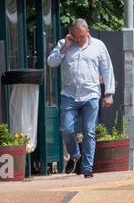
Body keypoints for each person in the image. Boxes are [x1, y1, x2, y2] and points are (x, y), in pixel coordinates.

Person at [46, 18, 115, 177]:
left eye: (81, 37)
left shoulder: (98, 46)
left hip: (91, 94)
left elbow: (107, 69)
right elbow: (51, 62)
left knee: (89, 131)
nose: (78, 40)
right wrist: (64, 49)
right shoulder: (64, 44)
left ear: (88, 33)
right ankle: (75, 154)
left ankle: (87, 168)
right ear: (71, 34)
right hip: (70, 95)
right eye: (75, 37)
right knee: (66, 129)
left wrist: (108, 94)